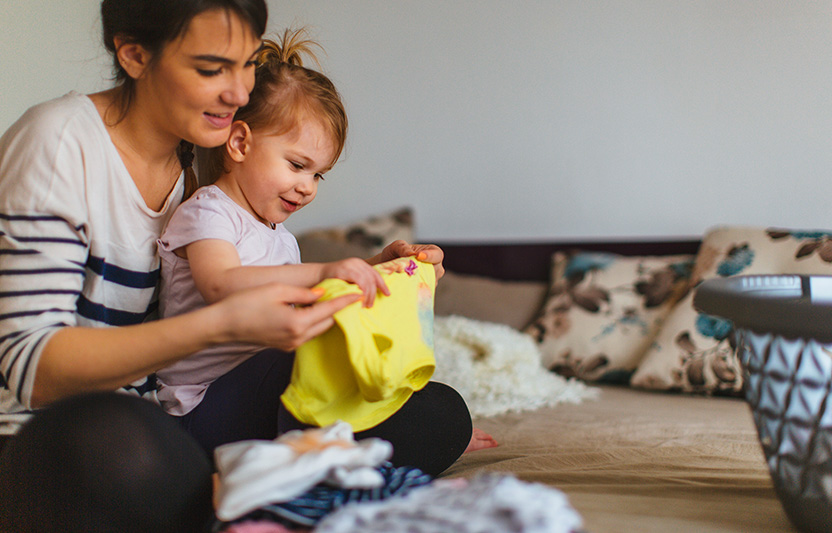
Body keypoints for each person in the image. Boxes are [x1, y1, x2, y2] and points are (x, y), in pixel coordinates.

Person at [0, 1, 469, 531]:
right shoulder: (61, 142)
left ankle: (258, 485)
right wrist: (225, 323)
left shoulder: (194, 155)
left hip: (161, 417)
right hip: (64, 426)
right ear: (134, 55)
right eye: (211, 69)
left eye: (247, 64)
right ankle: (269, 485)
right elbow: (30, 369)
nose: (240, 92)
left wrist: (378, 275)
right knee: (115, 450)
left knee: (437, 413)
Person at [153, 30, 473, 473]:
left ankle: (388, 441)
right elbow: (220, 284)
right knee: (314, 358)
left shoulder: (281, 238)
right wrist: (324, 272)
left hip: (267, 402)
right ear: (240, 143)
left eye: (318, 175)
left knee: (444, 411)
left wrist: (382, 269)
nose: (307, 187)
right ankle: (333, 460)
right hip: (203, 411)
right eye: (297, 165)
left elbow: (307, 298)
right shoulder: (209, 211)